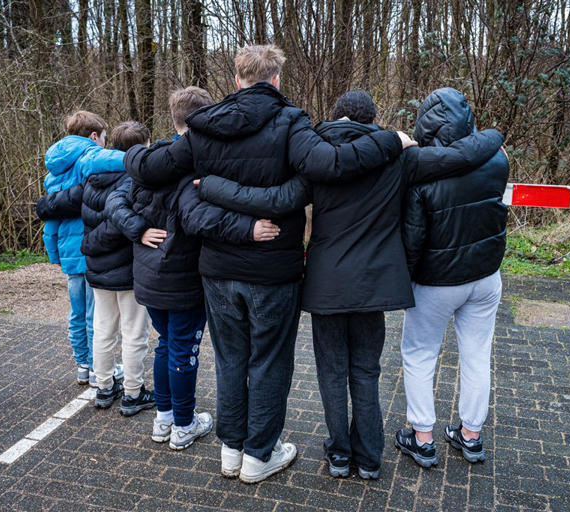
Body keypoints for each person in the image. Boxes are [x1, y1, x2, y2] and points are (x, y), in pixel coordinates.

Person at [124, 45, 415, 483]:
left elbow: (150, 166)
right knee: (270, 363)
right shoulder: (291, 122)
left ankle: (231, 451)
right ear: (276, 79)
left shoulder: (204, 128)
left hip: (217, 270)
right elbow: (332, 164)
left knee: (230, 360)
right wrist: (391, 140)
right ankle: (259, 455)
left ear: (237, 79)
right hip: (272, 271)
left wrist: (123, 155)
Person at [195, 89, 503, 479]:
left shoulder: (314, 157)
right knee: (365, 371)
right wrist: (493, 136)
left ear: (336, 116)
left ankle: (339, 453)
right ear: (371, 119)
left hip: (326, 284)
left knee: (331, 372)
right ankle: (370, 458)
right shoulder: (397, 157)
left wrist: (210, 187)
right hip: (374, 285)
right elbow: (458, 157)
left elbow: (275, 198)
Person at [107, 86, 282, 450]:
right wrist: (249, 229)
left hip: (150, 275)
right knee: (183, 348)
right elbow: (199, 218)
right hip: (180, 276)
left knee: (166, 345)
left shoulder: (150, 160)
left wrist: (136, 229)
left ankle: (164, 419)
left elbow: (116, 198)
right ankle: (183, 424)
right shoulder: (191, 165)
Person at [396, 87, 509, 466]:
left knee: (419, 353)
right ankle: (471, 435)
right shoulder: (498, 160)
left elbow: (413, 238)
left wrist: (403, 282)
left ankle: (423, 438)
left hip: (437, 281)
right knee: (477, 354)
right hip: (485, 276)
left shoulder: (419, 174)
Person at [38, 121, 154, 416]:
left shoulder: (89, 177)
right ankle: (132, 391)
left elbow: (62, 204)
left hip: (96, 267)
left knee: (102, 328)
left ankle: (103, 387)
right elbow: (119, 222)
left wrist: (88, 244)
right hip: (126, 267)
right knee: (133, 332)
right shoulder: (134, 180)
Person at [38, 111, 122, 386]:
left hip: (67, 251)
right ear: (94, 135)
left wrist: (54, 254)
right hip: (88, 246)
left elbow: (50, 219)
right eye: (104, 139)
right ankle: (101, 369)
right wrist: (140, 156)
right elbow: (114, 159)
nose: (104, 144)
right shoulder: (87, 155)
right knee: (93, 313)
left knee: (76, 312)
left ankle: (83, 365)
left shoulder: (54, 168)